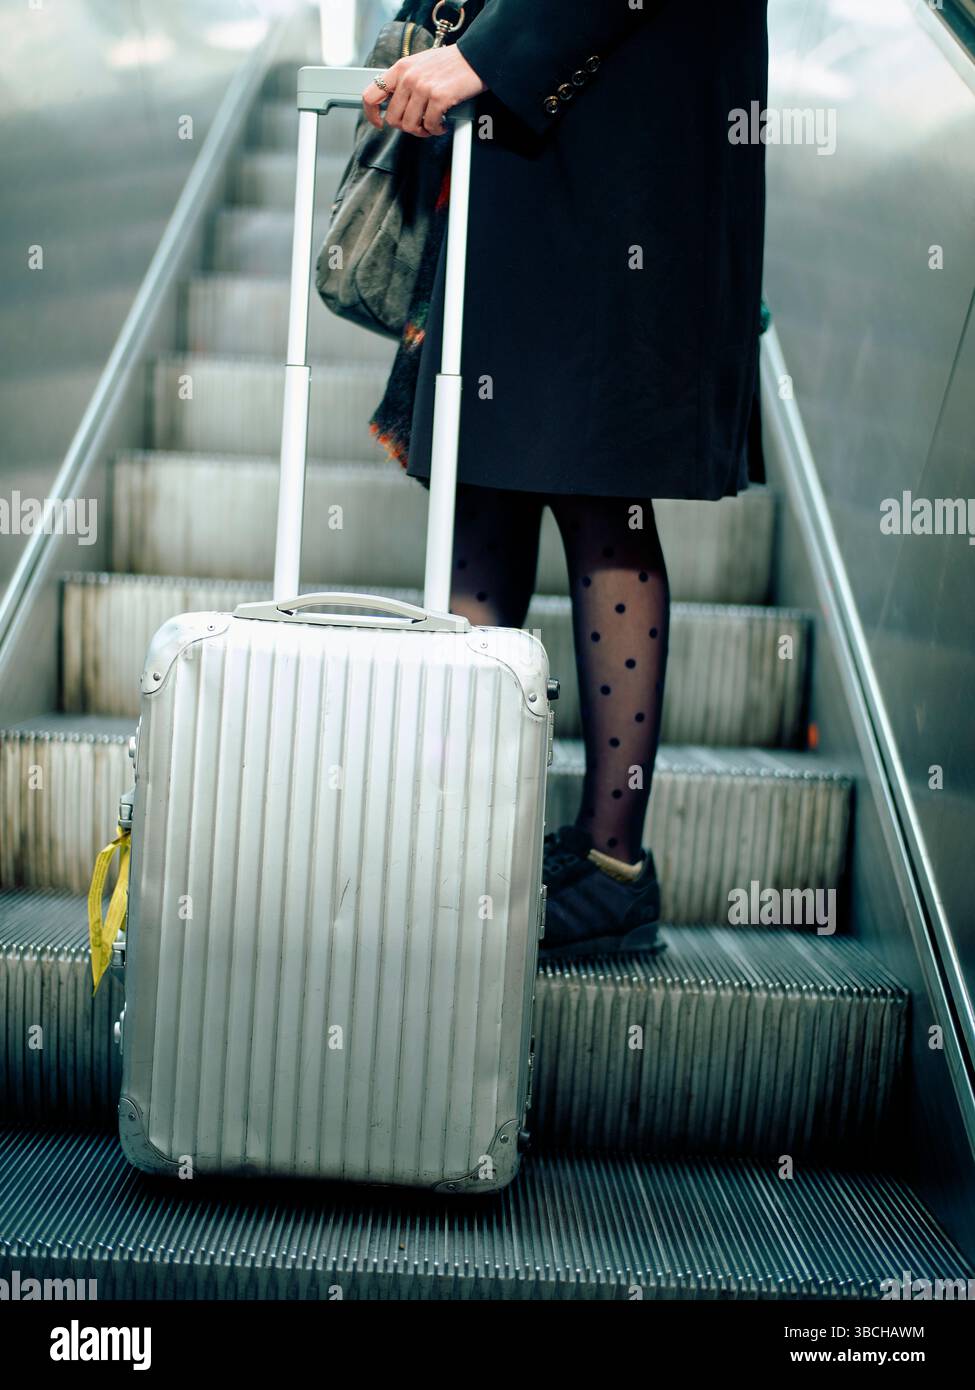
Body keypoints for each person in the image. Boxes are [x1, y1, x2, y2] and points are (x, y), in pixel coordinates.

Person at [362, 0, 769, 955]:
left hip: (611, 142)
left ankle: (611, 864)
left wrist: (493, 50)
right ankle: (461, 852)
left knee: (598, 483)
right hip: (538, 137)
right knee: (484, 472)